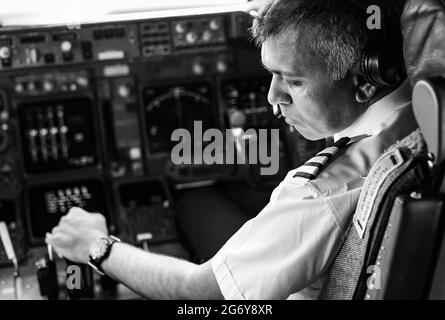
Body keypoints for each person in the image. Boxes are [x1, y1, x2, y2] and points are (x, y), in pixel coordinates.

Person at [46, 0, 416, 299]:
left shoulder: (320, 193)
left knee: (191, 204)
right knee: (202, 201)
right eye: (271, 74)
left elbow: (201, 292)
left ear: (364, 83)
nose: (273, 97)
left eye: (294, 81)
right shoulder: (420, 114)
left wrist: (97, 247)